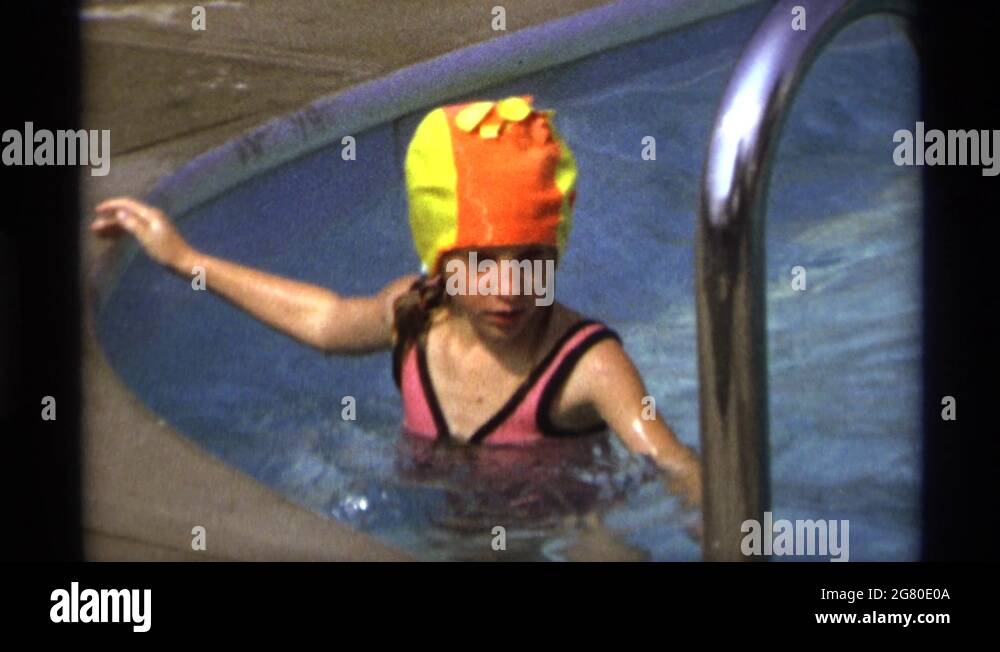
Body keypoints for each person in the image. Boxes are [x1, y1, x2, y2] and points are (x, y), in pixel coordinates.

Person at [91, 95, 703, 509]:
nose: (509, 289)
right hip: (433, 516)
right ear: (439, 257)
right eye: (482, 262)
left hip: (564, 527)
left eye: (532, 261)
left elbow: (679, 469)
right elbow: (327, 321)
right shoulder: (415, 312)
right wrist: (185, 259)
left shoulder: (588, 366)